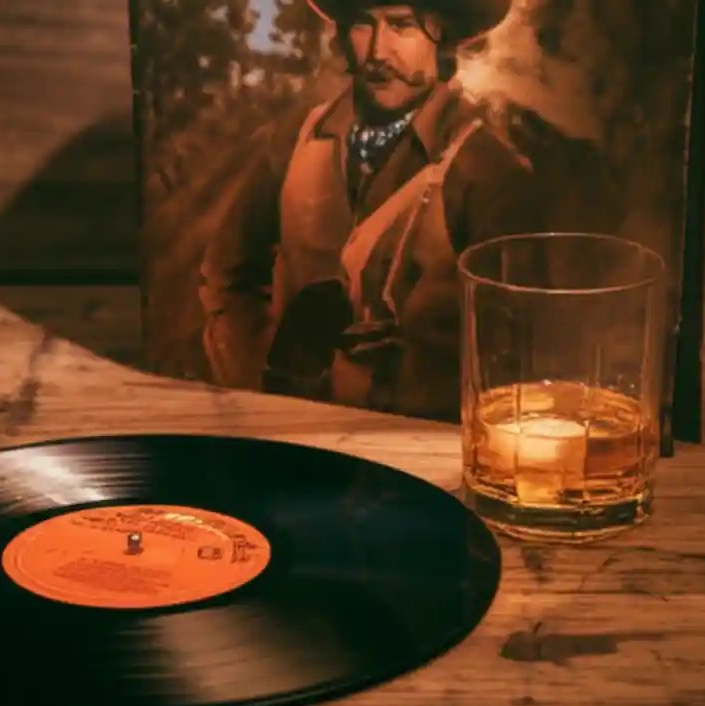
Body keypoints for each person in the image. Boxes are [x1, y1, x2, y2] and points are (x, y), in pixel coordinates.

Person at [197, 0, 549, 421]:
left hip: (420, 448)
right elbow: (227, 275)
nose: (378, 52)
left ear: (443, 33)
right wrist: (259, 383)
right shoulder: (299, 136)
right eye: (362, 25)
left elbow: (515, 353)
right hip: (295, 440)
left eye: (401, 25)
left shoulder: (487, 170)